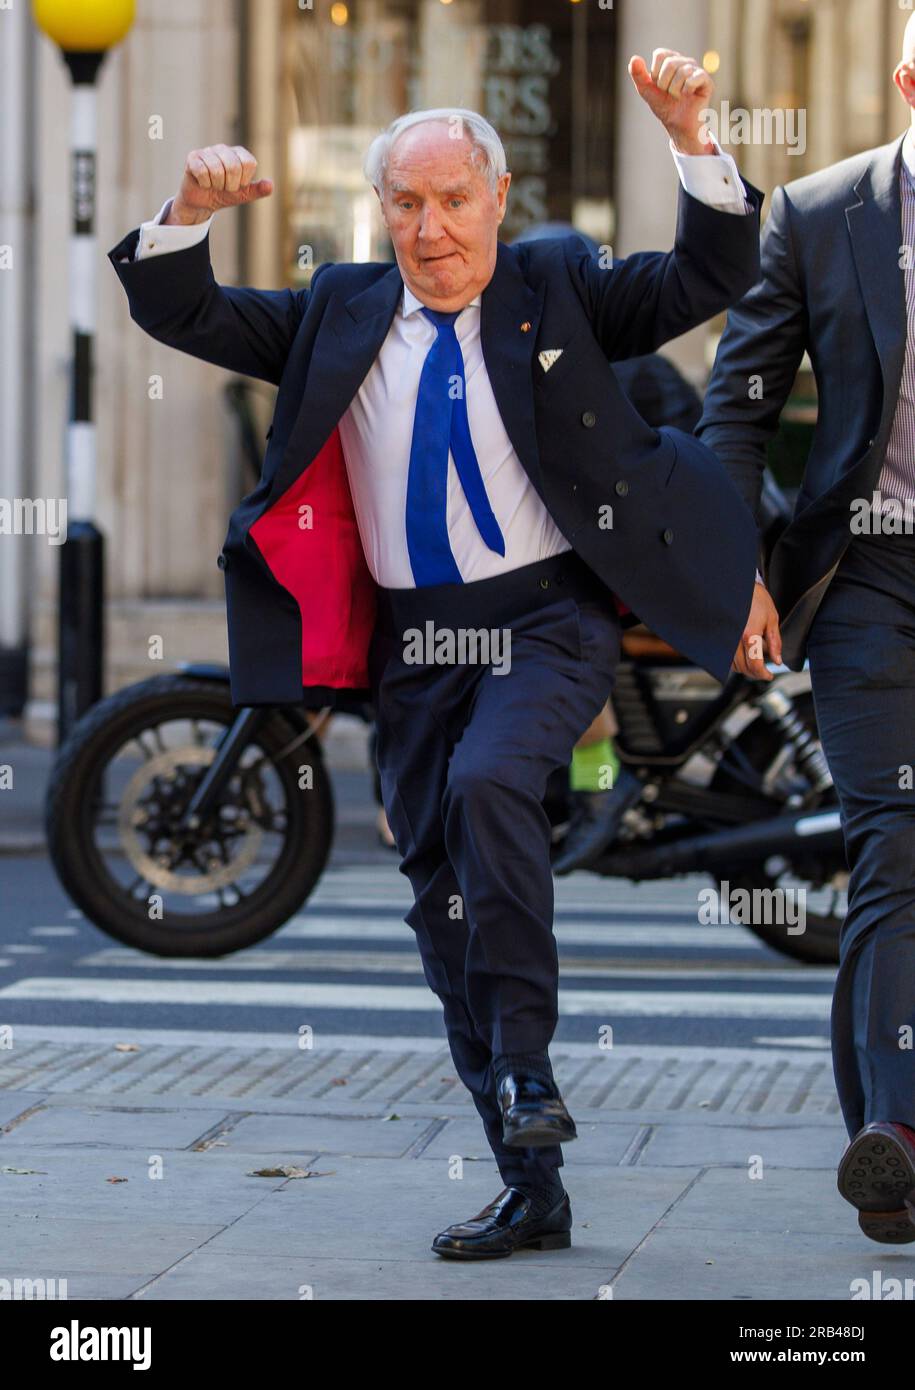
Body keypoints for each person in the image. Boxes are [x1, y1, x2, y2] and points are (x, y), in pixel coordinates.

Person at [109, 48, 764, 1260]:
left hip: (545, 621)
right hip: (415, 649)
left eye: (453, 200)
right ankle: (533, 1182)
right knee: (436, 900)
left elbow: (708, 275)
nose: (430, 229)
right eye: (404, 204)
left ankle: (527, 1070)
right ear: (380, 214)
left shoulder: (559, 285)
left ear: (497, 200)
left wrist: (690, 137)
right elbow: (181, 309)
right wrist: (188, 214)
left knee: (489, 784)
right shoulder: (340, 313)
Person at [699, 16, 915, 1246]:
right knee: (895, 837)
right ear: (908, 81)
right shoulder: (823, 213)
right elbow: (740, 403)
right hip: (871, 572)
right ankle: (898, 1135)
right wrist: (740, 573)